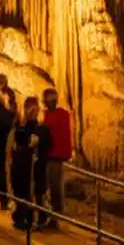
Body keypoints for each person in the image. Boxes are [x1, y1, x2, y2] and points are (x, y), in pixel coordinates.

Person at [9, 97, 50, 230]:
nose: (29, 110)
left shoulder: (39, 128)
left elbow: (36, 144)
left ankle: (29, 217)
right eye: (27, 107)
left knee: (29, 191)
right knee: (21, 190)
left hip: (29, 163)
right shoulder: (20, 125)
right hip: (20, 161)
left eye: (31, 108)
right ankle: (24, 216)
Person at [37, 88, 73, 230]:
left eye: (46, 100)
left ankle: (54, 216)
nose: (46, 103)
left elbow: (55, 134)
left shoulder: (60, 115)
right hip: (50, 155)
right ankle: (49, 214)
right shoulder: (59, 115)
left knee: (54, 187)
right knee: (48, 186)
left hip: (54, 156)